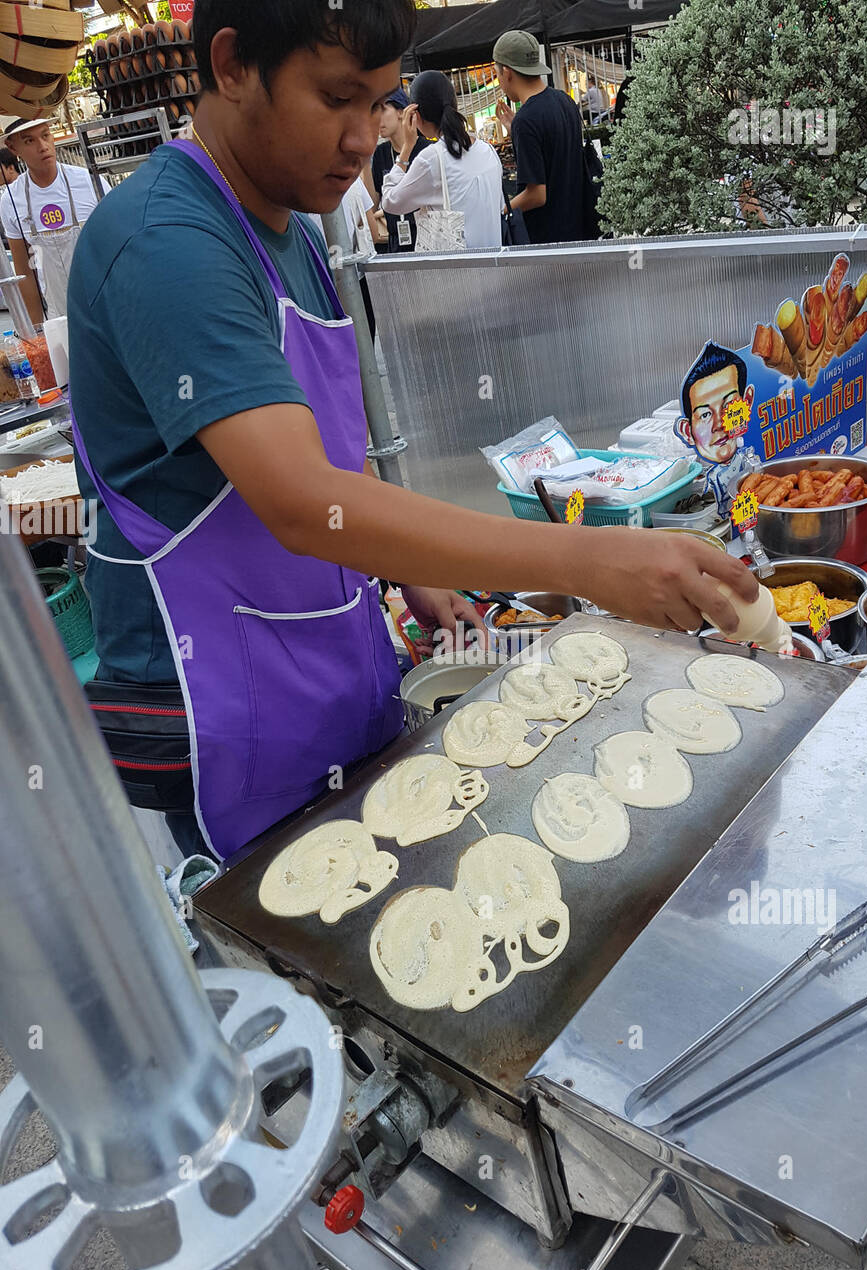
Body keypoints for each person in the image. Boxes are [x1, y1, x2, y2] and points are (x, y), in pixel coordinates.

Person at [69, 0, 757, 863]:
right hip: (221, 707)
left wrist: (408, 570)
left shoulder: (287, 228)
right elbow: (298, 498)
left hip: (320, 661)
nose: (365, 137)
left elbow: (333, 452)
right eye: (336, 99)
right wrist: (589, 560)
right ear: (234, 64)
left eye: (380, 104)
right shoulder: (166, 240)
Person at [381, 70, 503, 250]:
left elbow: (391, 202)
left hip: (456, 274)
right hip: (494, 266)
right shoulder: (487, 150)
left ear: (416, 115)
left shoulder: (432, 158)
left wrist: (407, 148)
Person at [0, 117, 106, 322]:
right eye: (29, 141)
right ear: (13, 148)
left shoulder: (89, 182)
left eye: (46, 135)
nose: (43, 147)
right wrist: (37, 332)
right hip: (59, 314)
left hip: (106, 304)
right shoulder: (11, 200)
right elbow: (24, 271)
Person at [493, 30, 595, 243]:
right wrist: (516, 132)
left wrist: (504, 210)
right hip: (581, 230)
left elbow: (537, 195)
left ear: (507, 72)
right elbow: (556, 153)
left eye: (497, 73)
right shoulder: (564, 100)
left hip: (549, 241)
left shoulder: (526, 120)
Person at [370, 87, 429, 253]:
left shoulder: (427, 150)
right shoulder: (380, 153)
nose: (376, 119)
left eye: (381, 110)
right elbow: (373, 205)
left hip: (426, 243)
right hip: (395, 245)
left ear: (401, 112)